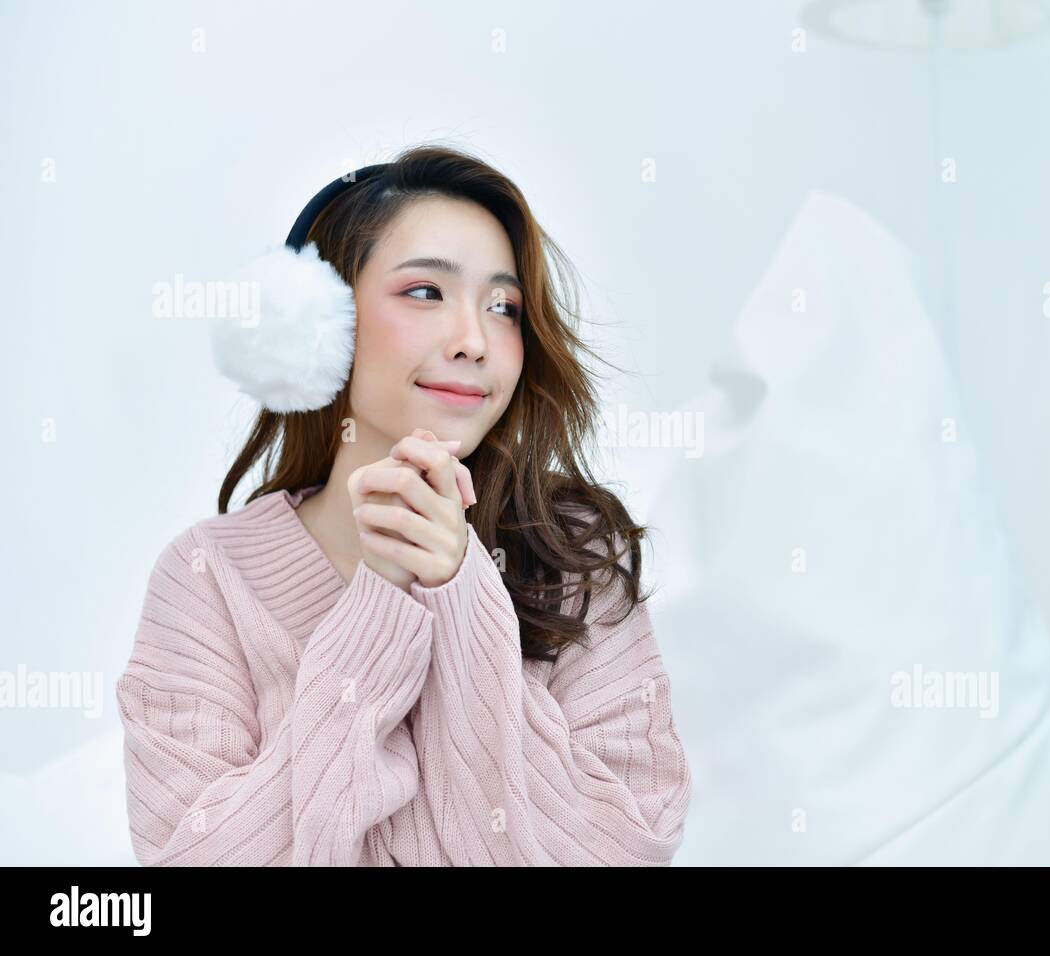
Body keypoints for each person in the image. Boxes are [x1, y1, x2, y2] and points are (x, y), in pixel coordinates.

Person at [115, 144, 691, 866]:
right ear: (318, 325)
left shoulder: (574, 555)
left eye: (503, 307)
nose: (475, 341)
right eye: (425, 293)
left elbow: (624, 853)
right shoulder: (207, 577)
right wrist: (377, 607)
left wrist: (461, 595)